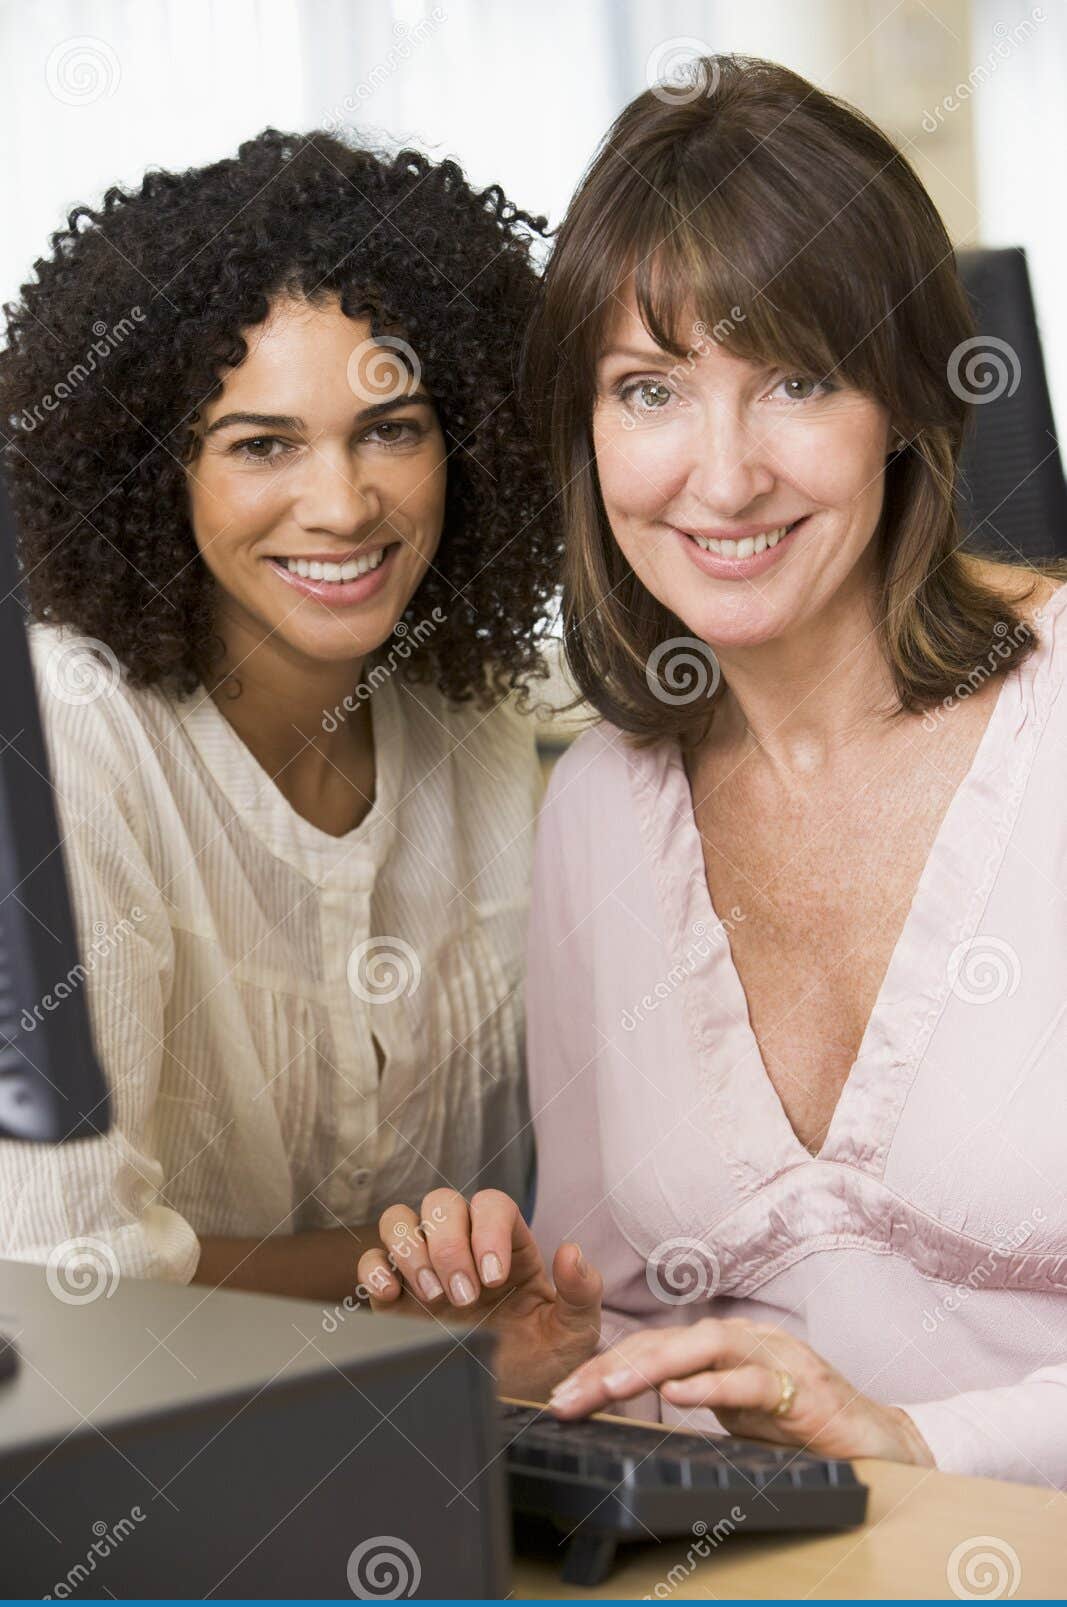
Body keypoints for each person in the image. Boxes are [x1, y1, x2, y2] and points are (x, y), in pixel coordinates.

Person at [358, 57, 1067, 1487]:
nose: (721, 475)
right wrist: (559, 1352)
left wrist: (914, 1441)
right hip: (756, 1597)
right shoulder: (599, 811)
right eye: (650, 389)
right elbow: (632, 1303)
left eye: (795, 380)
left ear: (908, 403)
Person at [0, 129, 560, 1305]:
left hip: (450, 1438)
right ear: (156, 474)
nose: (342, 504)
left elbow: (537, 1193)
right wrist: (407, 1289)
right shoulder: (67, 739)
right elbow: (64, 1274)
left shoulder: (480, 724)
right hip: (129, 1466)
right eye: (262, 445)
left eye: (392, 429)